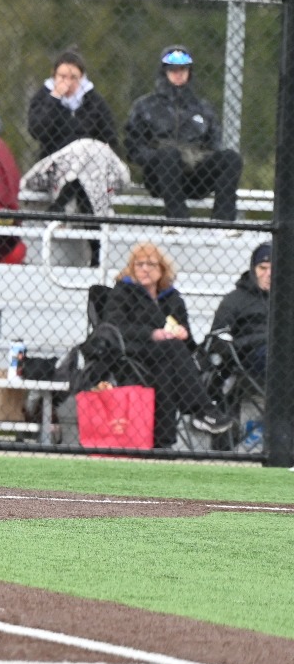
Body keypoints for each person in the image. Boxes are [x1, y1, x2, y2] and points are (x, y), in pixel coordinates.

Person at [100, 241, 228, 445]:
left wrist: (183, 334)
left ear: (162, 269)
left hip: (166, 356)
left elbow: (187, 340)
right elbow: (114, 328)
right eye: (139, 264)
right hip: (131, 351)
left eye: (151, 264)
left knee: (167, 364)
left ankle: (163, 444)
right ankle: (202, 410)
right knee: (170, 349)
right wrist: (152, 334)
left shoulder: (172, 297)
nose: (144, 269)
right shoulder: (123, 292)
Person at [123, 44, 241, 221]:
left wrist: (193, 157)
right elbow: (133, 148)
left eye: (183, 69)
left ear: (190, 72)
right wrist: (159, 157)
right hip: (161, 177)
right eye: (173, 69)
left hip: (196, 178)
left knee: (231, 158)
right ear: (164, 72)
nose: (179, 74)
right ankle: (178, 219)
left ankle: (223, 222)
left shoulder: (203, 109)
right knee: (169, 155)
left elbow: (214, 145)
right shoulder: (145, 106)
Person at [22, 48, 128, 217]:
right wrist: (54, 98)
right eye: (63, 77)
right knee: (80, 152)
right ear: (53, 75)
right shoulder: (43, 98)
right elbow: (37, 131)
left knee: (86, 150)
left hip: (92, 169)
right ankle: (89, 228)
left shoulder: (95, 102)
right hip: (54, 166)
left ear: (82, 78)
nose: (68, 83)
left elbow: (111, 139)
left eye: (74, 78)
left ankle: (60, 206)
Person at [210, 241, 271, 378]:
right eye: (263, 268)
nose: (269, 274)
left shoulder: (287, 298)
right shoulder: (235, 299)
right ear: (253, 269)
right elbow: (217, 338)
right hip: (252, 355)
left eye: (275, 268)